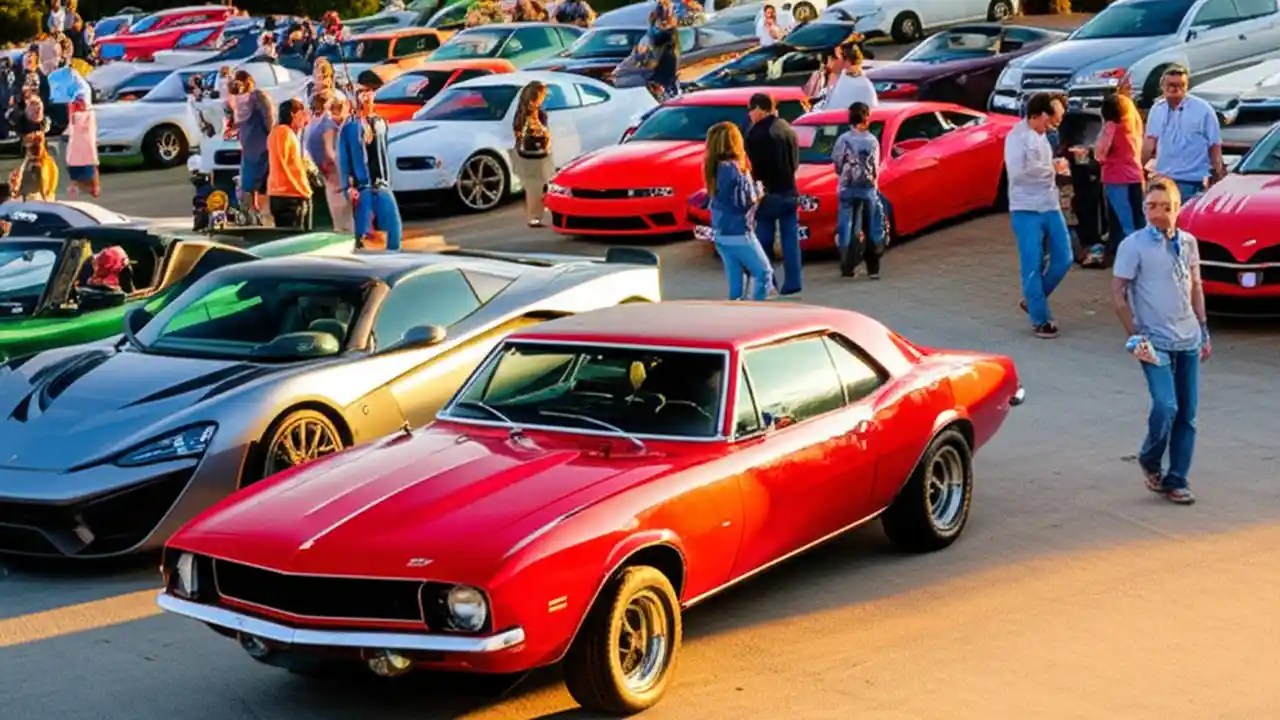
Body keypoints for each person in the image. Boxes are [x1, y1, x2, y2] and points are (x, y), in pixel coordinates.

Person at [1110, 179, 1210, 506]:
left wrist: (1203, 328)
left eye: (1167, 207)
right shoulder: (1133, 246)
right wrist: (1134, 334)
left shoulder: (1189, 243)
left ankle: (1177, 478)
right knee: (1166, 405)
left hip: (1188, 338)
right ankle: (1150, 458)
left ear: (1178, 209)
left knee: (1187, 413)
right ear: (1143, 208)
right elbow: (1118, 292)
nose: (1159, 213)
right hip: (1153, 341)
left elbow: (1196, 286)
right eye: (1152, 206)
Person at [1004, 91, 1072, 338]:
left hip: (1049, 204)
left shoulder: (1045, 137)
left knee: (1064, 257)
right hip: (1025, 208)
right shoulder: (1016, 137)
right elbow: (1018, 173)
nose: (1055, 123)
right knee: (1032, 263)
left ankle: (1034, 299)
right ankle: (1040, 318)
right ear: (1040, 114)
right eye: (1053, 118)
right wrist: (1052, 169)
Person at [703, 121, 772, 301]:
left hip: (720, 232)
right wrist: (757, 191)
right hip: (739, 231)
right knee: (764, 273)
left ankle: (736, 311)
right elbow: (742, 202)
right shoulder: (732, 169)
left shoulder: (713, 167)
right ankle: (755, 311)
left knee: (737, 283)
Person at [1141, 65, 1225, 203]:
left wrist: (1217, 176)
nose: (1175, 89)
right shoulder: (1157, 109)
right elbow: (1149, 142)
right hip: (1163, 180)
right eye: (1171, 85)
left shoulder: (1203, 110)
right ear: (1162, 86)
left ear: (1187, 87)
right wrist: (1141, 168)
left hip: (1192, 181)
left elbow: (1214, 146)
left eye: (1181, 85)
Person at [745, 92, 801, 295]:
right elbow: (795, 162)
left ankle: (769, 282)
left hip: (768, 192)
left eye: (751, 110)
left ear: (760, 109)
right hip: (790, 189)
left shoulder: (756, 134)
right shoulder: (787, 129)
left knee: (764, 239)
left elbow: (754, 167)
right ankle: (793, 282)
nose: (749, 114)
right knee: (790, 239)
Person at [338, 85, 402, 250]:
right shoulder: (349, 127)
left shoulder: (380, 122)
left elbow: (383, 151)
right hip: (362, 186)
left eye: (369, 93)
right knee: (363, 232)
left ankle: (393, 256)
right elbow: (344, 159)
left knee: (394, 228)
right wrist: (347, 187)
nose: (367, 97)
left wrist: (388, 180)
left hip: (381, 184)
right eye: (362, 94)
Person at [832, 101, 884, 279]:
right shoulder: (872, 141)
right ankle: (873, 267)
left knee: (846, 226)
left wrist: (844, 174)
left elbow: (837, 163)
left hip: (847, 188)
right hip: (867, 189)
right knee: (870, 226)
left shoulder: (843, 139)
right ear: (866, 118)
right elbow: (875, 167)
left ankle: (847, 266)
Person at [1095, 92, 1145, 258]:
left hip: (1115, 177)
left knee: (1124, 220)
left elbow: (1100, 152)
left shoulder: (1111, 125)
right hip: (1135, 174)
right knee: (1139, 217)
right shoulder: (1134, 121)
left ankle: (1129, 255)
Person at [230, 69, 275, 224]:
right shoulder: (258, 97)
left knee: (249, 183)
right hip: (261, 144)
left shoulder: (236, 102)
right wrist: (272, 135)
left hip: (249, 146)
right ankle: (263, 216)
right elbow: (269, 119)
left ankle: (252, 215)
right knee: (262, 183)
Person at [306, 91, 353, 232]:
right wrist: (343, 169)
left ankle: (341, 231)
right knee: (345, 212)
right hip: (333, 171)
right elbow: (329, 151)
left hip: (323, 170)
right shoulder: (328, 124)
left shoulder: (313, 124)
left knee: (336, 210)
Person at [511, 81, 553, 228]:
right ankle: (535, 216)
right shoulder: (531, 114)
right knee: (536, 187)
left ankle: (536, 215)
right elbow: (534, 132)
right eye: (542, 96)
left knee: (537, 186)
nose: (543, 99)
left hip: (530, 153)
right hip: (534, 153)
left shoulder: (524, 113)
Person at [267, 98, 313, 229]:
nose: (304, 117)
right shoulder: (283, 132)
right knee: (292, 233)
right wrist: (301, 189)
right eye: (301, 114)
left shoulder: (280, 132)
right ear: (293, 114)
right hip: (289, 194)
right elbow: (283, 163)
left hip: (284, 193)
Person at [820, 43, 877, 111]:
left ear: (847, 60)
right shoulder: (838, 80)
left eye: (833, 59)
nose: (828, 64)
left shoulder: (857, 85)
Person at [63, 91, 98, 197]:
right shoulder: (76, 115)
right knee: (80, 173)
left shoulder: (87, 115)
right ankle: (79, 186)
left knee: (89, 170)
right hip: (78, 151)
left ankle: (90, 187)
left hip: (84, 150)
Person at [9, 132, 58, 201]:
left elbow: (44, 183)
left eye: (28, 148)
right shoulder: (27, 161)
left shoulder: (43, 164)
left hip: (37, 198)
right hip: (27, 197)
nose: (27, 151)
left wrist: (45, 196)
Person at [648, 0, 680, 100]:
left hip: (667, 75)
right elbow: (658, 38)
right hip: (662, 76)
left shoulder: (667, 32)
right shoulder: (661, 31)